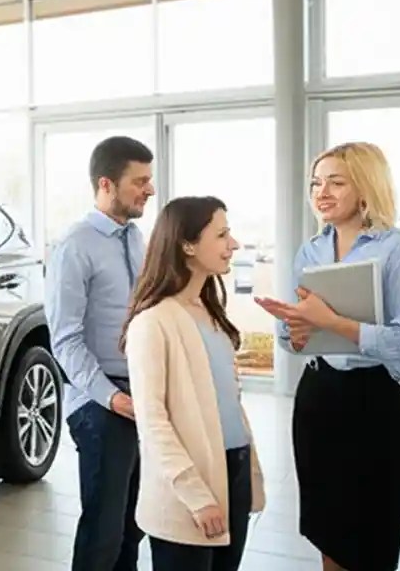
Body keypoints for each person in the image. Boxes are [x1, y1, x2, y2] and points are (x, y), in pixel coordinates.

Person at [255, 141, 400, 571]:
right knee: (329, 532)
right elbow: (291, 338)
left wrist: (334, 322)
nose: (322, 191)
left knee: (372, 538)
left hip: (373, 403)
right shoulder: (310, 251)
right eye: (316, 183)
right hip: (318, 399)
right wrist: (295, 328)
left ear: (366, 187)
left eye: (335, 182)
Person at [120, 196, 265, 571]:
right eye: (221, 234)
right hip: (187, 488)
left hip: (232, 469)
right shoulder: (152, 323)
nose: (232, 244)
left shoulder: (209, 312)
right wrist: (196, 495)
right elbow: (153, 422)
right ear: (186, 245)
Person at [46, 135, 155, 571]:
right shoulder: (74, 245)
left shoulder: (135, 238)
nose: (149, 190)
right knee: (104, 532)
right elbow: (65, 339)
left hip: (140, 394)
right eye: (140, 181)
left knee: (134, 525)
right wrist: (111, 397)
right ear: (107, 184)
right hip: (99, 402)